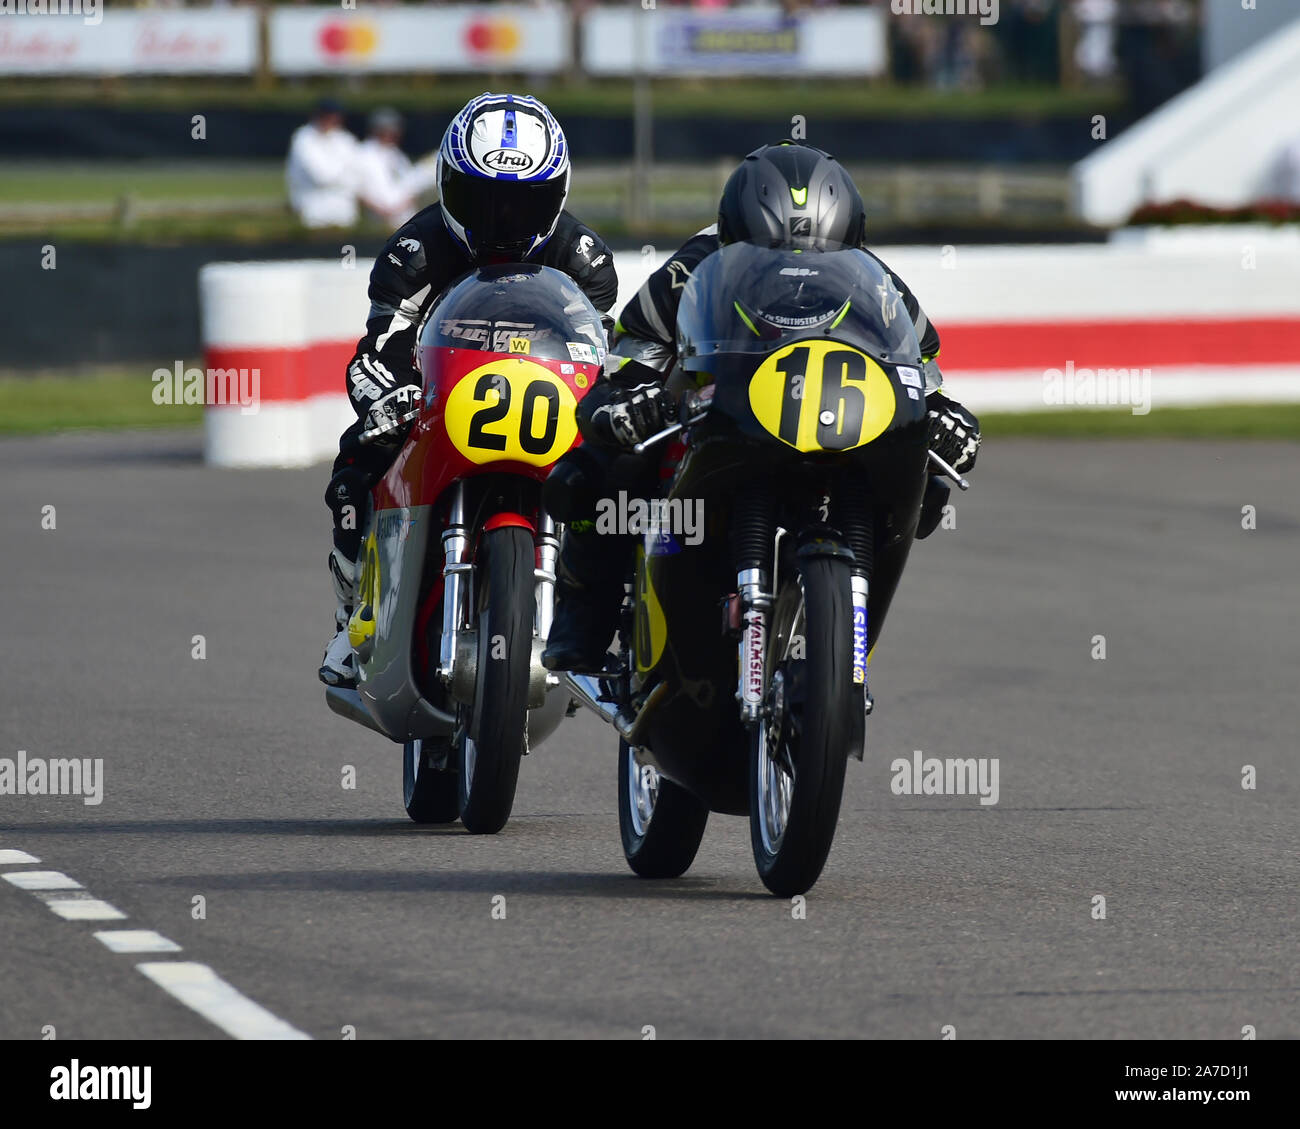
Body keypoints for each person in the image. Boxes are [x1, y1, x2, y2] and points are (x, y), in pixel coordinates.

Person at [541, 141, 982, 675]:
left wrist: (947, 417)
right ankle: (581, 621)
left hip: (829, 426)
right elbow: (628, 364)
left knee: (928, 481)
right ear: (733, 235)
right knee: (597, 469)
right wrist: (629, 405)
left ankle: (845, 638)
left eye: (822, 255)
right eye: (773, 253)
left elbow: (920, 373)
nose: (800, 268)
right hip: (717, 422)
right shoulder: (687, 271)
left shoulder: (878, 282)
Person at [320, 93, 619, 689]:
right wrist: (390, 396)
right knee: (355, 469)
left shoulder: (585, 261)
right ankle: (354, 615)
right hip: (437, 398)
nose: (501, 219)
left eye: (521, 201)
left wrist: (605, 412)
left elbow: (602, 358)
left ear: (554, 195)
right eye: (482, 199)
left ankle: (604, 618)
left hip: (545, 400)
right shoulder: (416, 249)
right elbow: (382, 342)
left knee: (616, 486)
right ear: (449, 187)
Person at [354, 107, 440, 229]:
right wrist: (383, 211)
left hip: (405, 221)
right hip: (378, 222)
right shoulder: (362, 153)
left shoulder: (398, 155)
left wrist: (403, 205)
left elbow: (411, 185)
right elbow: (358, 191)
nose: (393, 134)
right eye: (388, 130)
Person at [286, 98, 361, 229]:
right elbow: (321, 177)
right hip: (314, 210)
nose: (331, 120)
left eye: (334, 116)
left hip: (344, 211)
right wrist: (345, 166)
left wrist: (344, 172)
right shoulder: (304, 138)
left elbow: (358, 176)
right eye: (327, 116)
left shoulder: (345, 138)